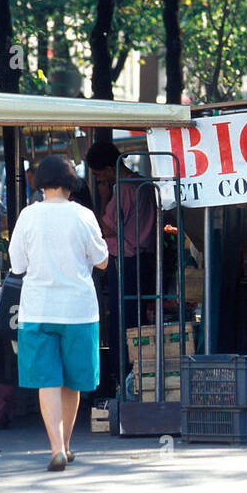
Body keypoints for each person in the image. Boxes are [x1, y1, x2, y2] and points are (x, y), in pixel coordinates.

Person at [8, 155, 109, 471]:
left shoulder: (28, 216)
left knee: (47, 380)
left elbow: (17, 265)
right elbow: (103, 260)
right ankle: (67, 444)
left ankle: (55, 448)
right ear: (71, 184)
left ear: (40, 184)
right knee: (72, 380)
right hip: (78, 309)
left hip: (38, 308)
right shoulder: (84, 215)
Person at [89, 141, 158, 395]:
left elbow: (106, 228)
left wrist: (105, 197)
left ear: (108, 169)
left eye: (98, 175)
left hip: (126, 260)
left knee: (122, 322)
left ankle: (125, 381)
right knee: (135, 320)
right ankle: (133, 379)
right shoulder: (143, 183)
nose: (99, 180)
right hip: (144, 258)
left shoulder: (124, 189)